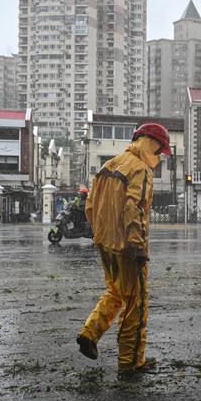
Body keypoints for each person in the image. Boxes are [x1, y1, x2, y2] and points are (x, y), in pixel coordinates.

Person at [76, 123, 170, 379]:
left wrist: (100, 234)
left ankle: (90, 332)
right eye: (160, 150)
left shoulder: (109, 166)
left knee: (116, 292)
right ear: (153, 144)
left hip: (106, 244)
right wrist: (137, 245)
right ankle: (130, 362)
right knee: (135, 303)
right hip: (129, 248)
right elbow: (134, 207)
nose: (160, 156)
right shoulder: (140, 169)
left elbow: (90, 205)